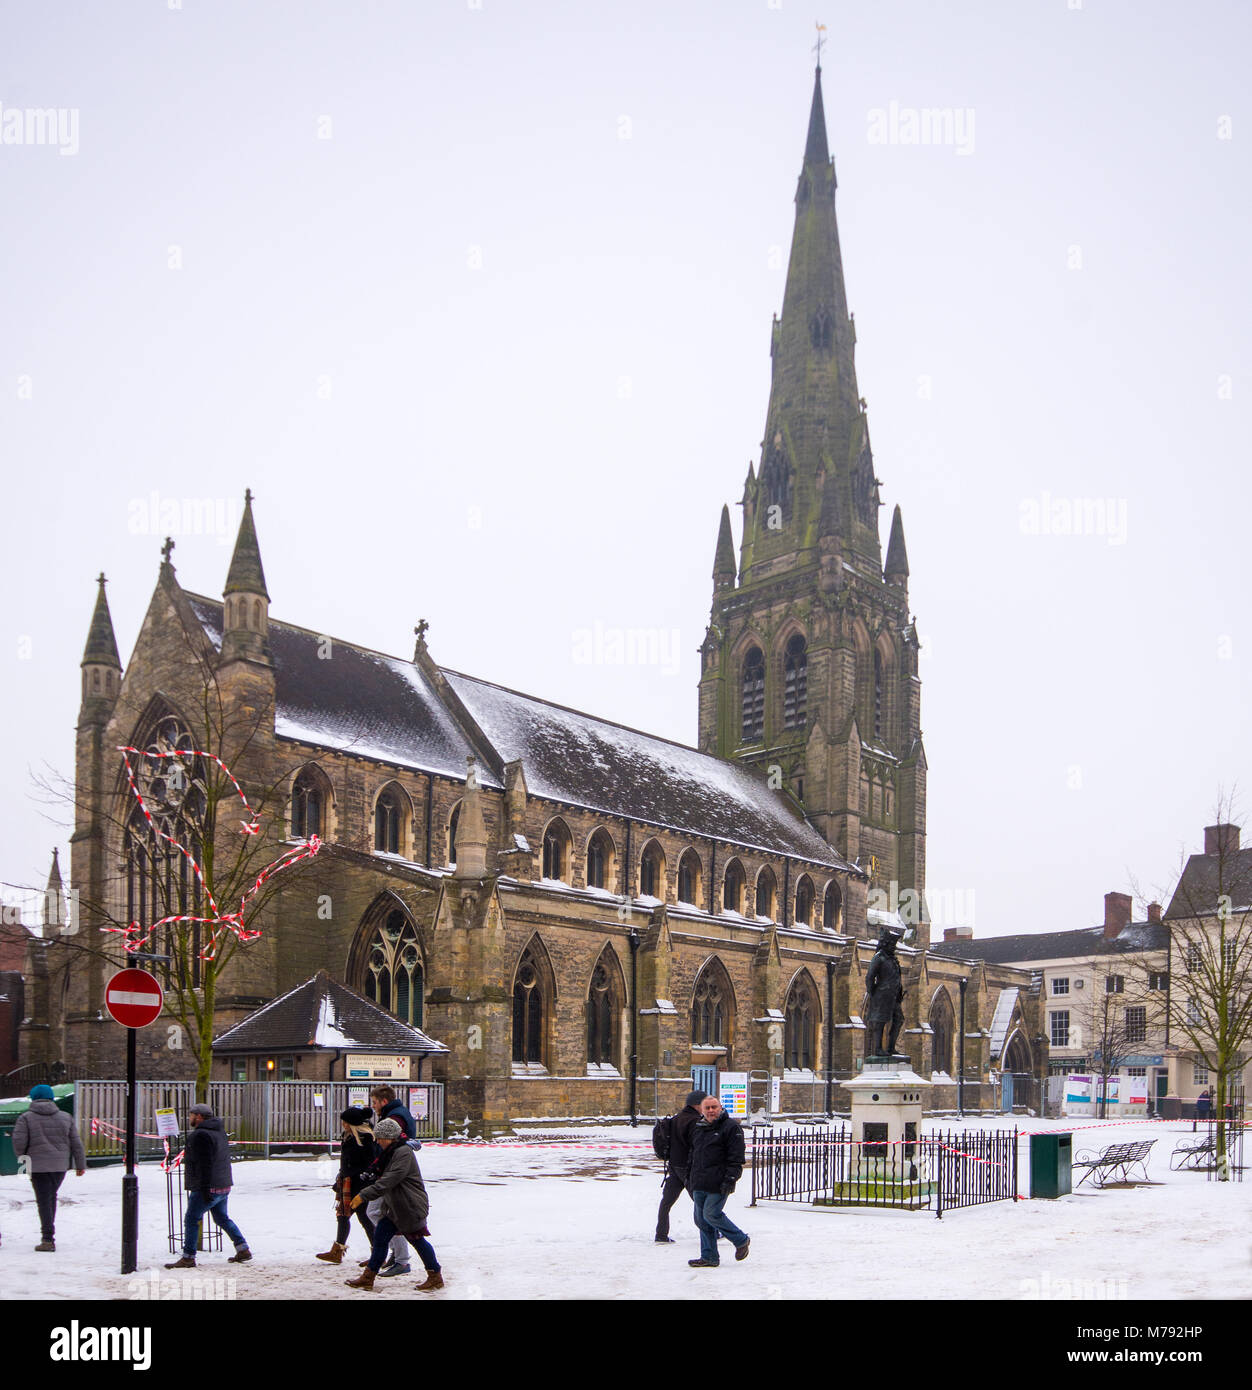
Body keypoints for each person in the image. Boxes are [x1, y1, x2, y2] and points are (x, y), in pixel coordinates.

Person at [344, 1118, 443, 1292]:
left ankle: (435, 1275)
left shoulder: (403, 1152)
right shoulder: (389, 1152)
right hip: (395, 1207)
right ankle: (368, 1278)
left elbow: (390, 1180)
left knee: (418, 1240)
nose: (378, 1141)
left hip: (409, 1206)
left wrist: (364, 1195)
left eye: (381, 1138)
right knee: (380, 1238)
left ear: (390, 1137)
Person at [165, 1103, 252, 1268]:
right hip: (223, 1184)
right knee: (222, 1218)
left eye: (191, 1115)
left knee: (192, 1218)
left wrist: (204, 1189)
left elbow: (204, 1163)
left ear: (199, 1116)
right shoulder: (219, 1132)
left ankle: (188, 1257)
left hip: (208, 1186)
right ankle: (243, 1249)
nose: (189, 1118)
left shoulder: (200, 1135)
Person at [12, 1084, 86, 1252]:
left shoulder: (26, 1118)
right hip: (60, 1166)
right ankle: (48, 1235)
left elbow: (18, 1142)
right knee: (50, 1197)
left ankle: (47, 1239)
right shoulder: (65, 1117)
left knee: (44, 1200)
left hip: (37, 1165)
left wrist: (23, 1157)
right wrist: (80, 1165)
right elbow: (76, 1143)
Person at [687, 1094, 749, 1268]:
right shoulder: (698, 1127)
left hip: (719, 1181)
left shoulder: (731, 1128)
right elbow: (693, 1154)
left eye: (714, 1107)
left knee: (711, 1214)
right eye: (707, 1108)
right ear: (702, 1110)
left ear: (720, 1108)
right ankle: (709, 1257)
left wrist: (730, 1179)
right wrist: (689, 1177)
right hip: (699, 1181)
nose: (711, 1111)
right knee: (701, 1220)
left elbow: (736, 1158)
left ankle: (741, 1240)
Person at [365, 1085, 419, 1275]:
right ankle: (395, 1255)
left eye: (374, 1102)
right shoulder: (396, 1113)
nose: (373, 1106)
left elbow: (393, 1145)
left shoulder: (394, 1118)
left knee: (377, 1212)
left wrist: (378, 1168)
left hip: (392, 1175)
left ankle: (401, 1259)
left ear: (384, 1101)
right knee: (385, 1214)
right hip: (391, 1172)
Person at [315, 1106, 376, 1263]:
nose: (342, 1124)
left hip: (360, 1184)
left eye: (345, 1121)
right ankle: (337, 1251)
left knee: (364, 1218)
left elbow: (370, 1163)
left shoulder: (365, 1138)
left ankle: (377, 1253)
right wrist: (341, 1177)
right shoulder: (348, 1136)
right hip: (348, 1181)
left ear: (351, 1123)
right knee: (342, 1216)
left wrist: (363, 1179)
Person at [654, 1089, 707, 1243]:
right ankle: (713, 1231)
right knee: (701, 1202)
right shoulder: (695, 1121)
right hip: (687, 1168)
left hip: (674, 1166)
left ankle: (661, 1234)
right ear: (697, 1105)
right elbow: (696, 1146)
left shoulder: (677, 1118)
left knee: (666, 1203)